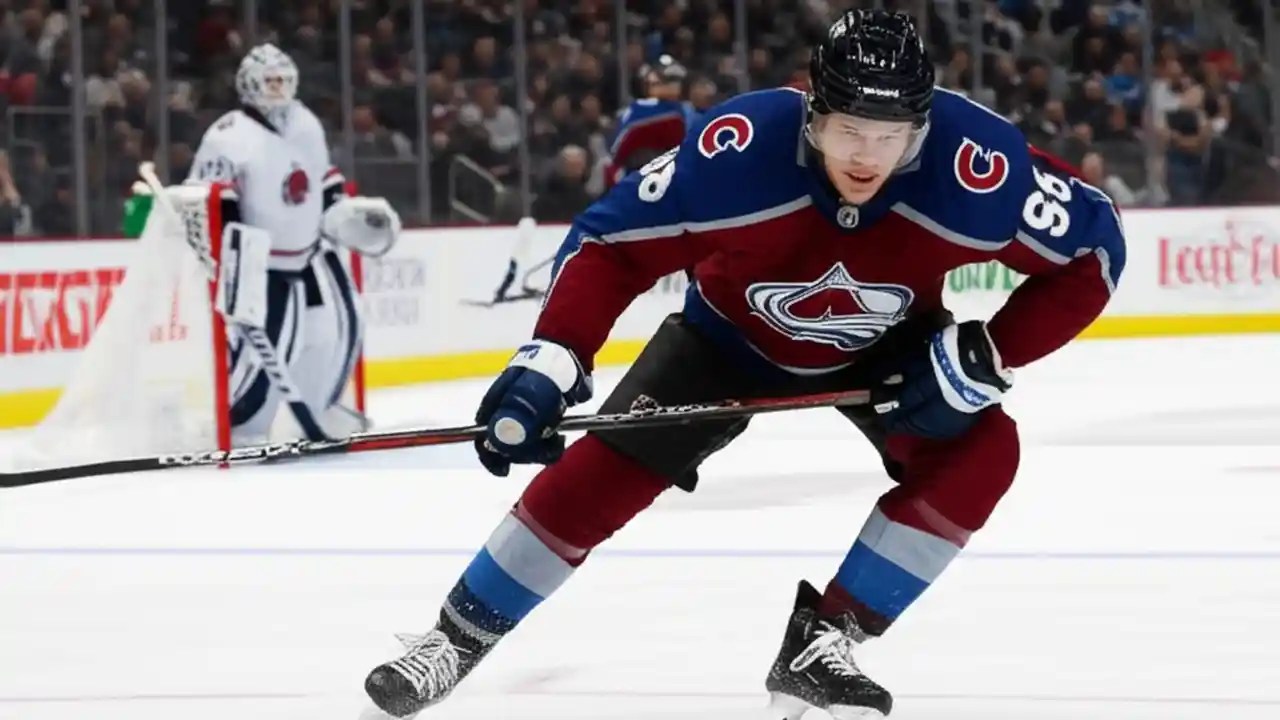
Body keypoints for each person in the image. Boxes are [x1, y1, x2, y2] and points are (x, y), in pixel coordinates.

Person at [364, 10, 1125, 719]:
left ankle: (828, 641)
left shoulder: (976, 165)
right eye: (850, 129)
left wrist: (987, 353)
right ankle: (456, 637)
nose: (867, 155)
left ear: (921, 127)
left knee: (985, 451)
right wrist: (555, 354)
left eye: (889, 135)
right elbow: (611, 243)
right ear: (813, 113)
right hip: (723, 342)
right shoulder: (740, 150)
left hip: (890, 346)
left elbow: (1094, 249)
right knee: (598, 478)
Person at [182, 44, 400, 443]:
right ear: (249, 84)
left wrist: (342, 212)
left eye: (283, 80)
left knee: (341, 325)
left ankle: (321, 408)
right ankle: (245, 424)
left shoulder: (304, 122)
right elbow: (208, 197)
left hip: (311, 251)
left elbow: (322, 179)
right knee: (265, 346)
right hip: (256, 263)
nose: (278, 88)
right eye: (269, 81)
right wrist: (226, 249)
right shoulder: (227, 134)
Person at [604, 54, 699, 190]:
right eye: (668, 80)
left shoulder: (689, 111)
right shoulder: (640, 108)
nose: (673, 86)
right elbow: (616, 149)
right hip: (640, 174)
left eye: (676, 81)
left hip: (678, 176)